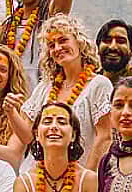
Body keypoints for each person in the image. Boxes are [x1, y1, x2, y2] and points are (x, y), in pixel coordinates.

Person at [10, 14, 113, 170]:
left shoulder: (98, 85)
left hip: (78, 177)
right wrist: (11, 112)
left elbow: (104, 137)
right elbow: (28, 137)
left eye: (63, 40)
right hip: (39, 175)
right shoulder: (45, 87)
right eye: (52, 45)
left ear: (80, 43)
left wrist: (87, 180)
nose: (58, 48)